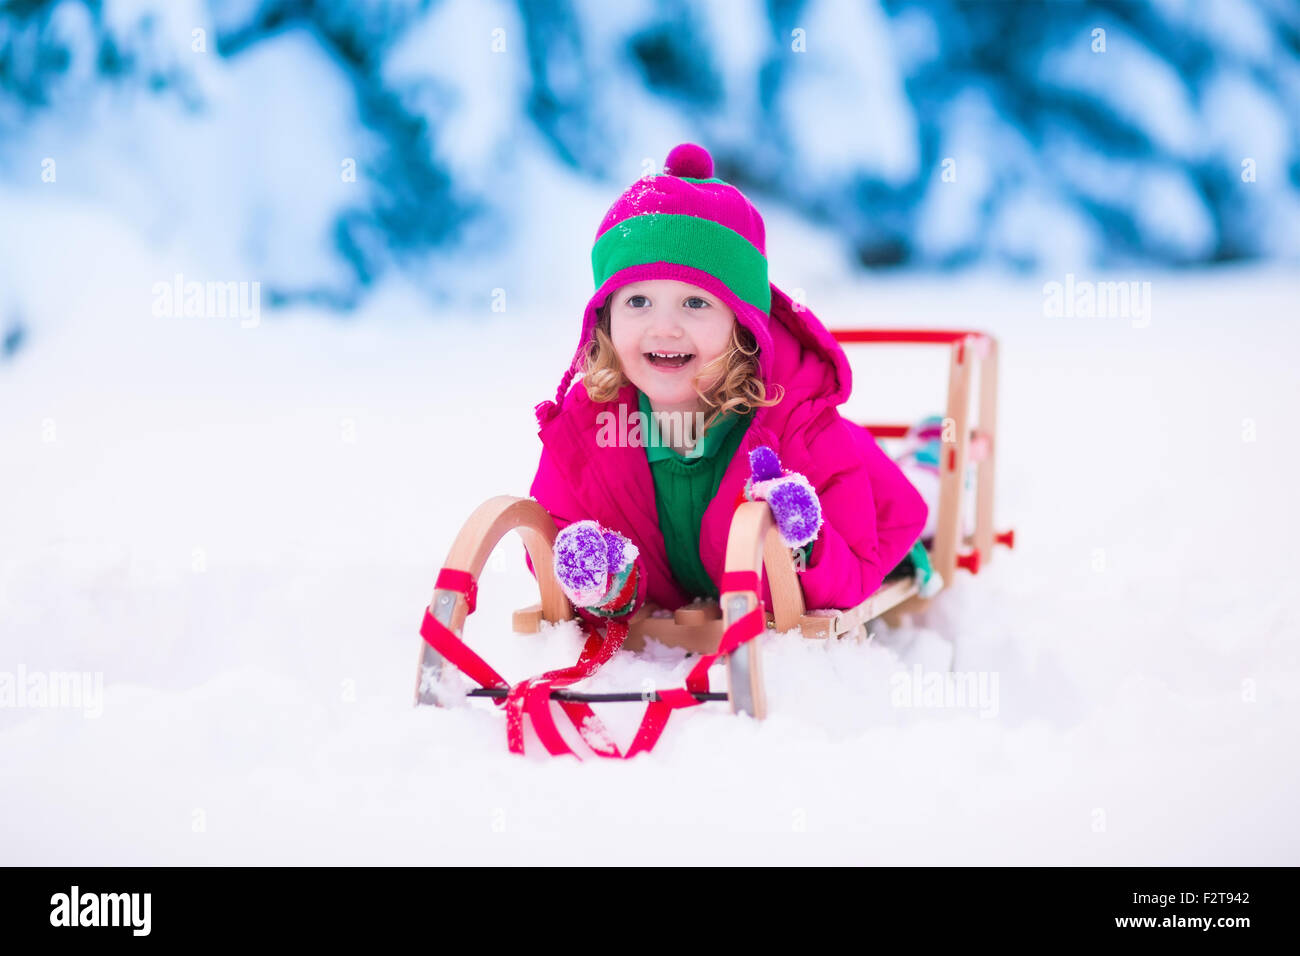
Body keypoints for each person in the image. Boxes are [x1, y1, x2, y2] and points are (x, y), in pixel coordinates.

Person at [528, 143, 930, 621]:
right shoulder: (590, 430)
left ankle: (930, 458)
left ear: (742, 324)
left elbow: (851, 577)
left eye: (695, 303)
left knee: (929, 501)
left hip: (878, 500)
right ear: (605, 319)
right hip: (705, 579)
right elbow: (561, 522)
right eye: (638, 302)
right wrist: (605, 580)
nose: (663, 327)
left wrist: (804, 542)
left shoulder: (800, 430)